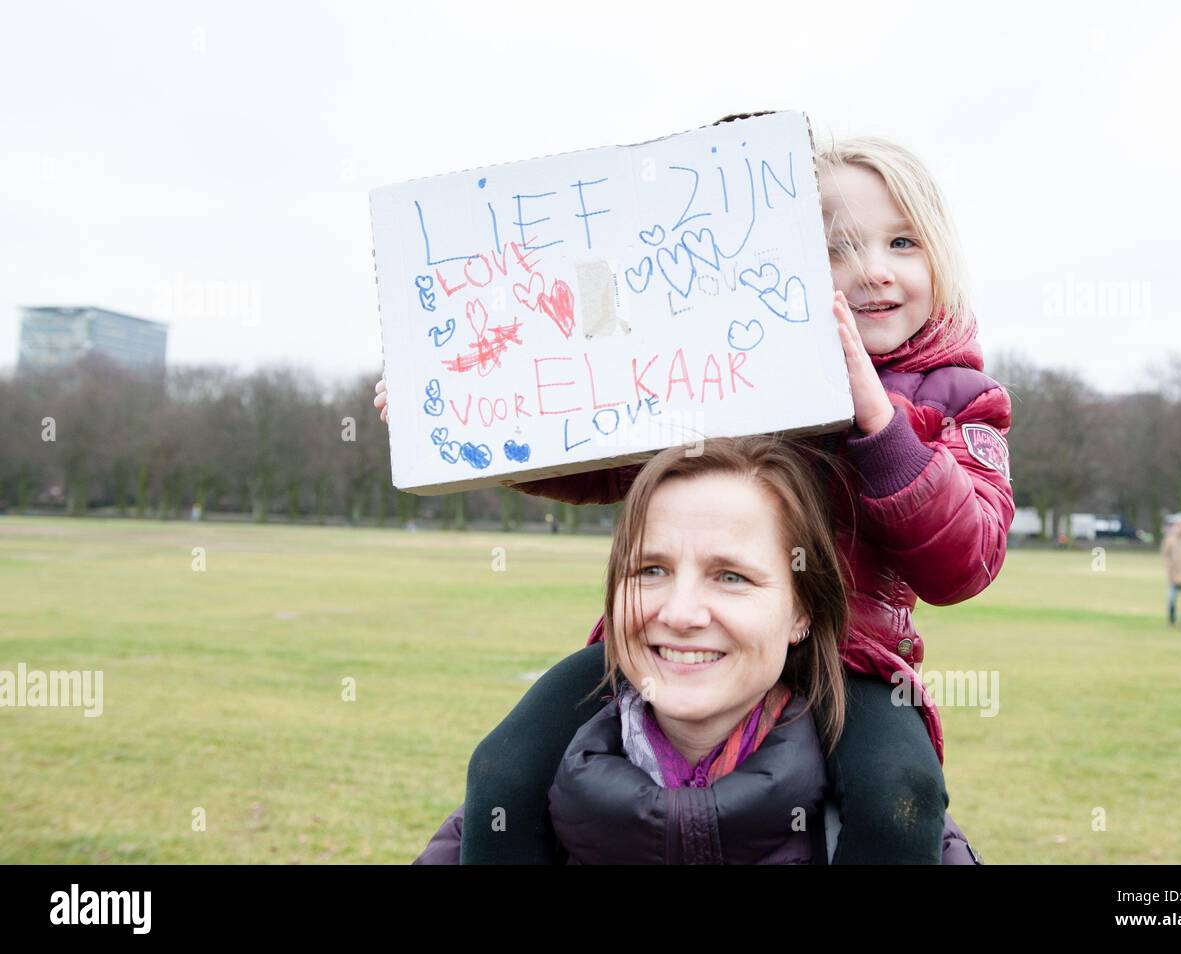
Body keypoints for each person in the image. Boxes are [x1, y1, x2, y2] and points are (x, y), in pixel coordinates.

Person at [379, 125, 1010, 864]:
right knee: (504, 766)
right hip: (677, 638)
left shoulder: (963, 400)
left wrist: (879, 422)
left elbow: (964, 561)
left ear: (940, 252)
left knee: (901, 792)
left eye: (902, 243)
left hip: (853, 659)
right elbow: (601, 453)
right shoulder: (733, 358)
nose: (872, 272)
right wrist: (458, 418)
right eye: (836, 247)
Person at [417, 436, 849, 863]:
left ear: (801, 612)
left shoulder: (856, 832)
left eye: (731, 576)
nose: (680, 614)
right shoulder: (499, 823)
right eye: (651, 570)